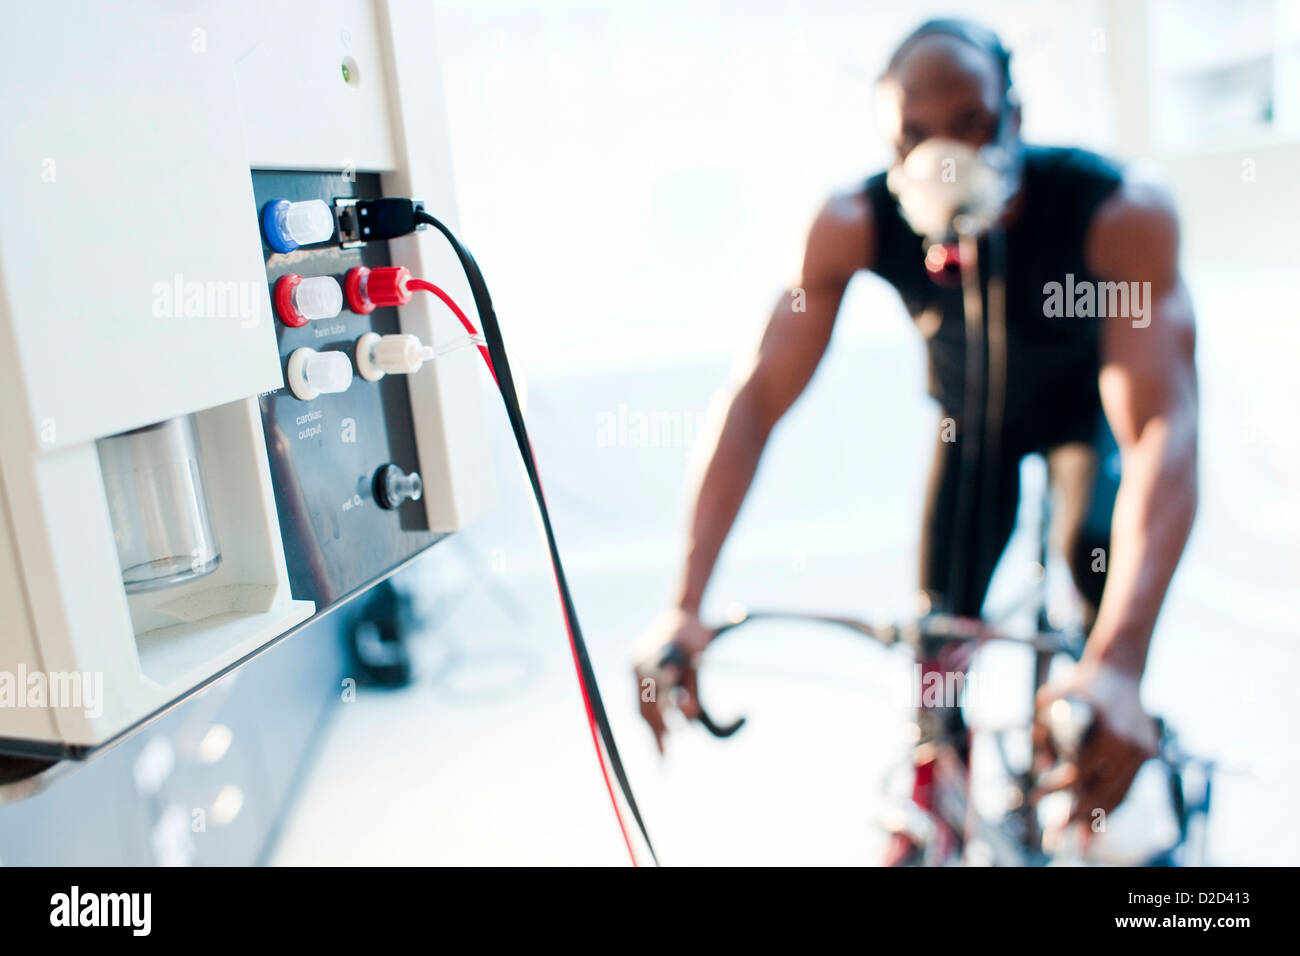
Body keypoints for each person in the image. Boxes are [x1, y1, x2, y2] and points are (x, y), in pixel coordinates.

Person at [633, 18, 1197, 851]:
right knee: (939, 640)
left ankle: (1098, 747)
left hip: (1089, 428)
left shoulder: (1118, 213)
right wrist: (682, 604)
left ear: (1015, 115)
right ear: (888, 143)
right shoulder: (851, 222)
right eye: (915, 133)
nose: (945, 153)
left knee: (1095, 569)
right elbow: (753, 399)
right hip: (972, 431)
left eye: (971, 122)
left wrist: (1120, 657)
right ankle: (938, 778)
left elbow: (1160, 426)